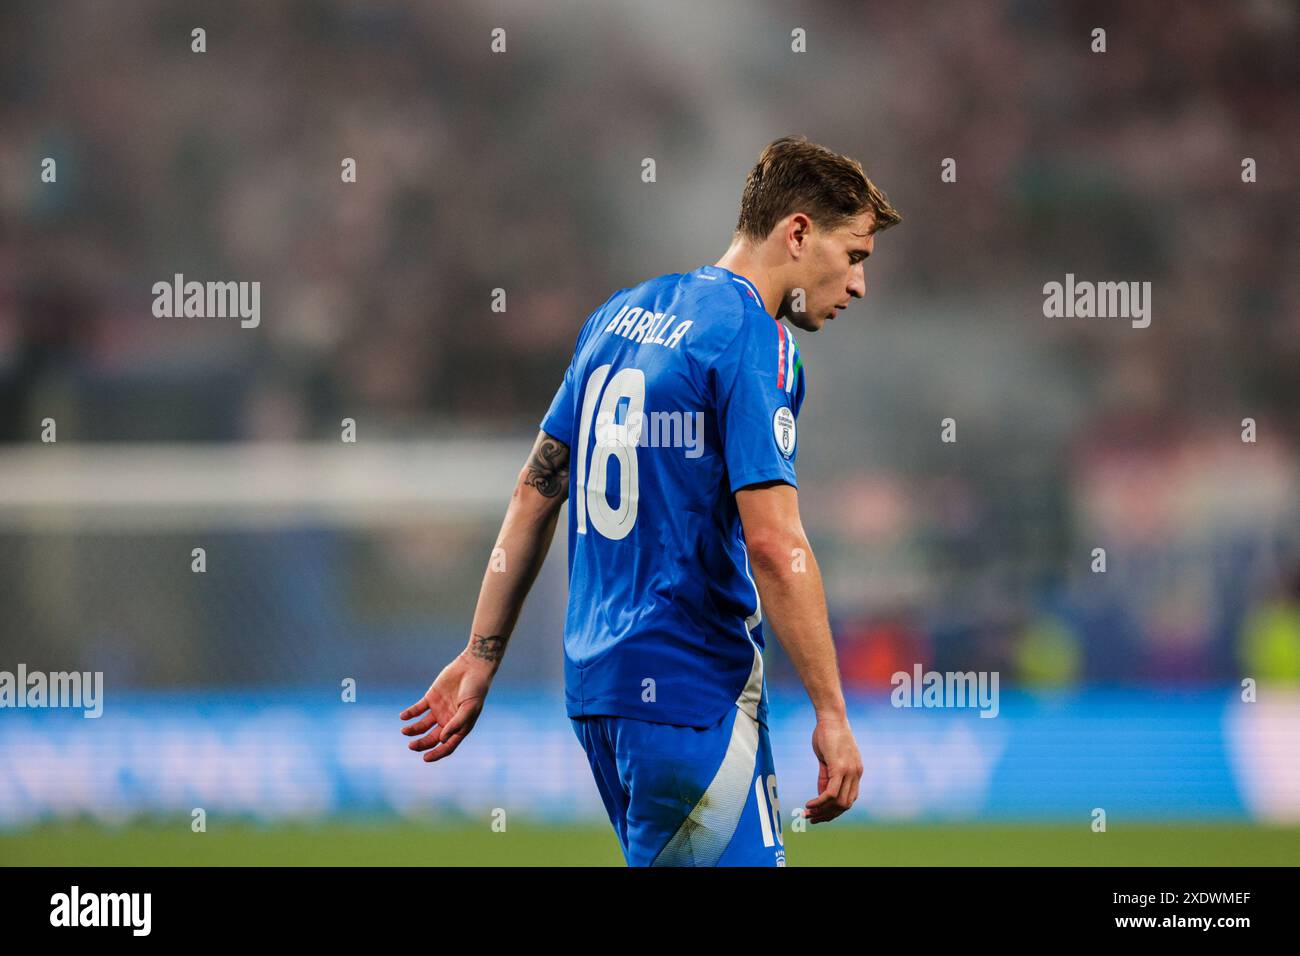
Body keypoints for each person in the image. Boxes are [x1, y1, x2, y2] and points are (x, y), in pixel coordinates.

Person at [401, 135, 902, 866]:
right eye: (854, 255)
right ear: (798, 232)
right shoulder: (753, 340)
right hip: (691, 694)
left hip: (601, 695)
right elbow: (774, 544)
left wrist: (482, 654)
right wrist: (831, 712)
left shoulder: (618, 315)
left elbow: (537, 489)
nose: (857, 285)